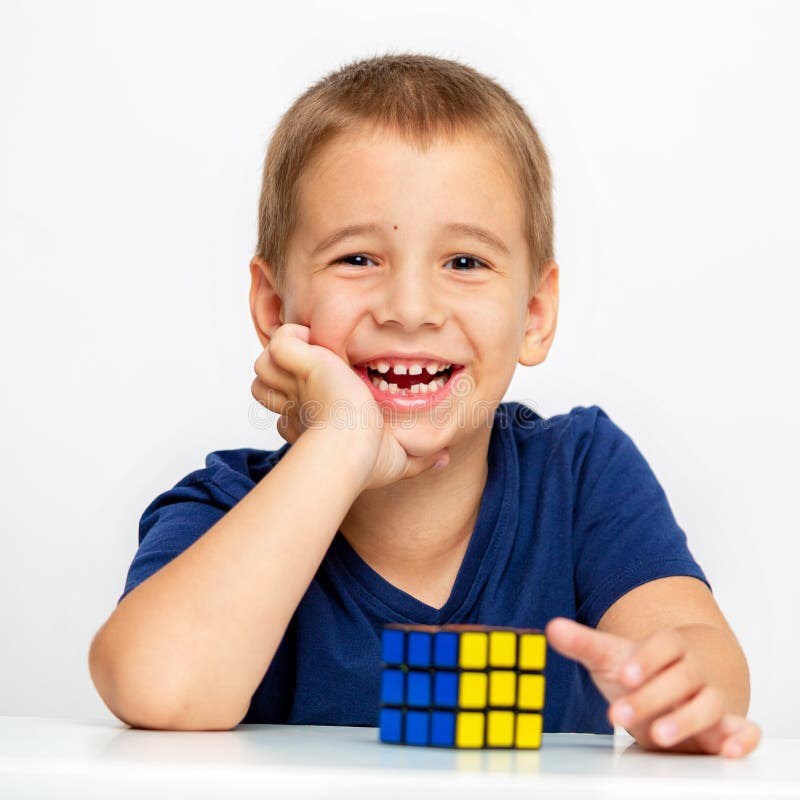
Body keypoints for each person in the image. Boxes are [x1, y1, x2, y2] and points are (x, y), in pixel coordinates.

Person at [88, 53, 761, 757]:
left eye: (465, 263)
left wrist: (681, 689)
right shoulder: (221, 509)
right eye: (358, 259)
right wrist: (340, 444)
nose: (410, 309)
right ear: (273, 306)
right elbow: (156, 687)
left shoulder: (581, 474)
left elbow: (700, 647)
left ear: (534, 314)